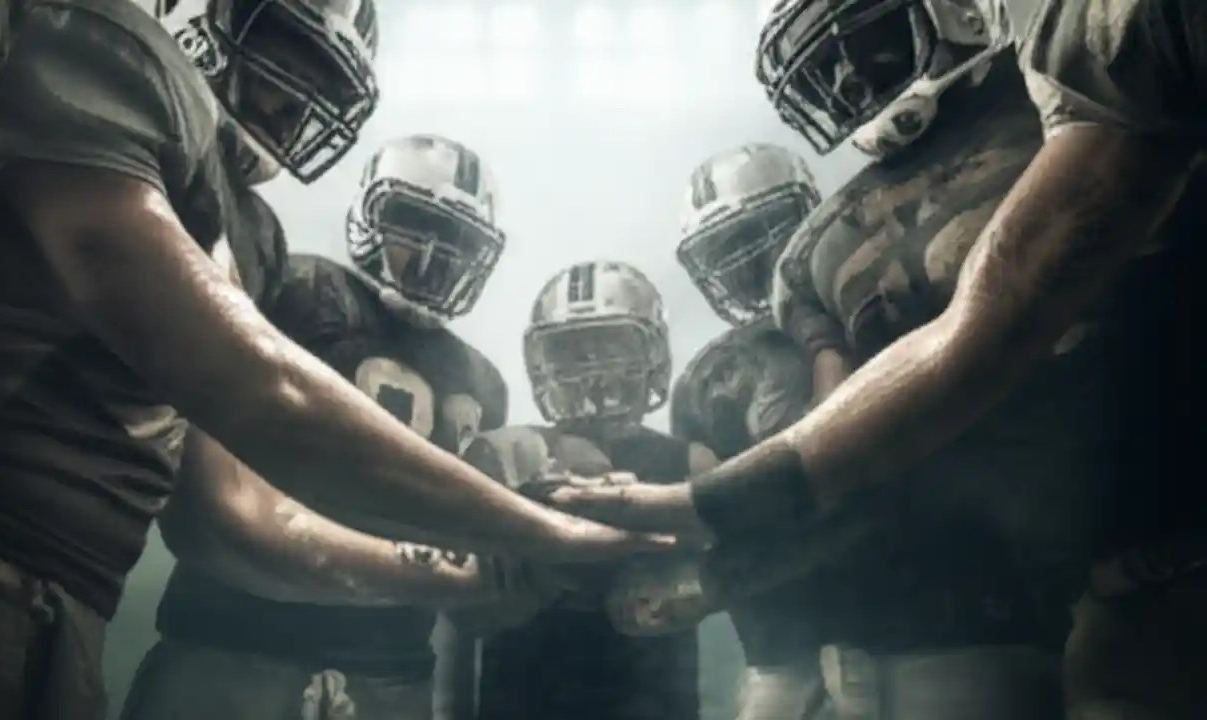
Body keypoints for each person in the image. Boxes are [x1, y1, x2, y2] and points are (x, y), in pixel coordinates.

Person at [0, 1, 655, 717]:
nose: (293, 99)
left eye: (323, 83)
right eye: (283, 50)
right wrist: (531, 532)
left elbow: (238, 509)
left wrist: (466, 572)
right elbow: (264, 396)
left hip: (65, 597)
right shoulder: (110, 55)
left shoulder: (247, 228)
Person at [557, 0, 1207, 717]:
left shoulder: (1086, 81)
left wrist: (713, 545)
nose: (843, 83)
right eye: (823, 69)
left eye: (862, 46)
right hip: (1086, 594)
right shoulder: (812, 257)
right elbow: (863, 445)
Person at [123, 134, 562, 720]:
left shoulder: (481, 381)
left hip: (387, 663)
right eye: (411, 222)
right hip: (237, 640)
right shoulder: (301, 289)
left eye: (455, 238)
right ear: (371, 214)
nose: (432, 252)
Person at [441, 261, 714, 720]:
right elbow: (457, 614)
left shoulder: (691, 464)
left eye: (608, 344)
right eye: (570, 349)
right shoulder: (501, 456)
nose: (590, 367)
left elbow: (746, 569)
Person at [669, 143, 822, 719]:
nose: (753, 258)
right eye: (730, 247)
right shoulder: (701, 382)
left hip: (910, 609)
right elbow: (710, 521)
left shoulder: (858, 309)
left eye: (764, 232)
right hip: (778, 635)